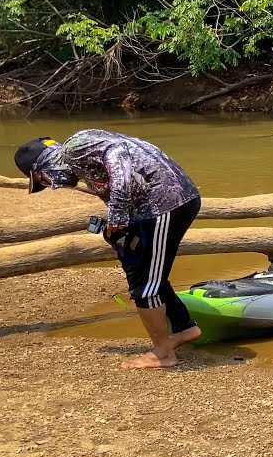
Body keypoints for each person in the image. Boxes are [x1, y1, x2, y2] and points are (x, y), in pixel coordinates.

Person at [14, 130, 202, 370]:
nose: (52, 186)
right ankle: (185, 328)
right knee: (142, 269)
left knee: (145, 287)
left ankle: (163, 355)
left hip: (166, 205)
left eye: (43, 180)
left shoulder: (74, 147)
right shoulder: (83, 165)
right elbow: (120, 185)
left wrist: (117, 217)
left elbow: (118, 154)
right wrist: (119, 232)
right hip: (158, 208)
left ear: (46, 164)